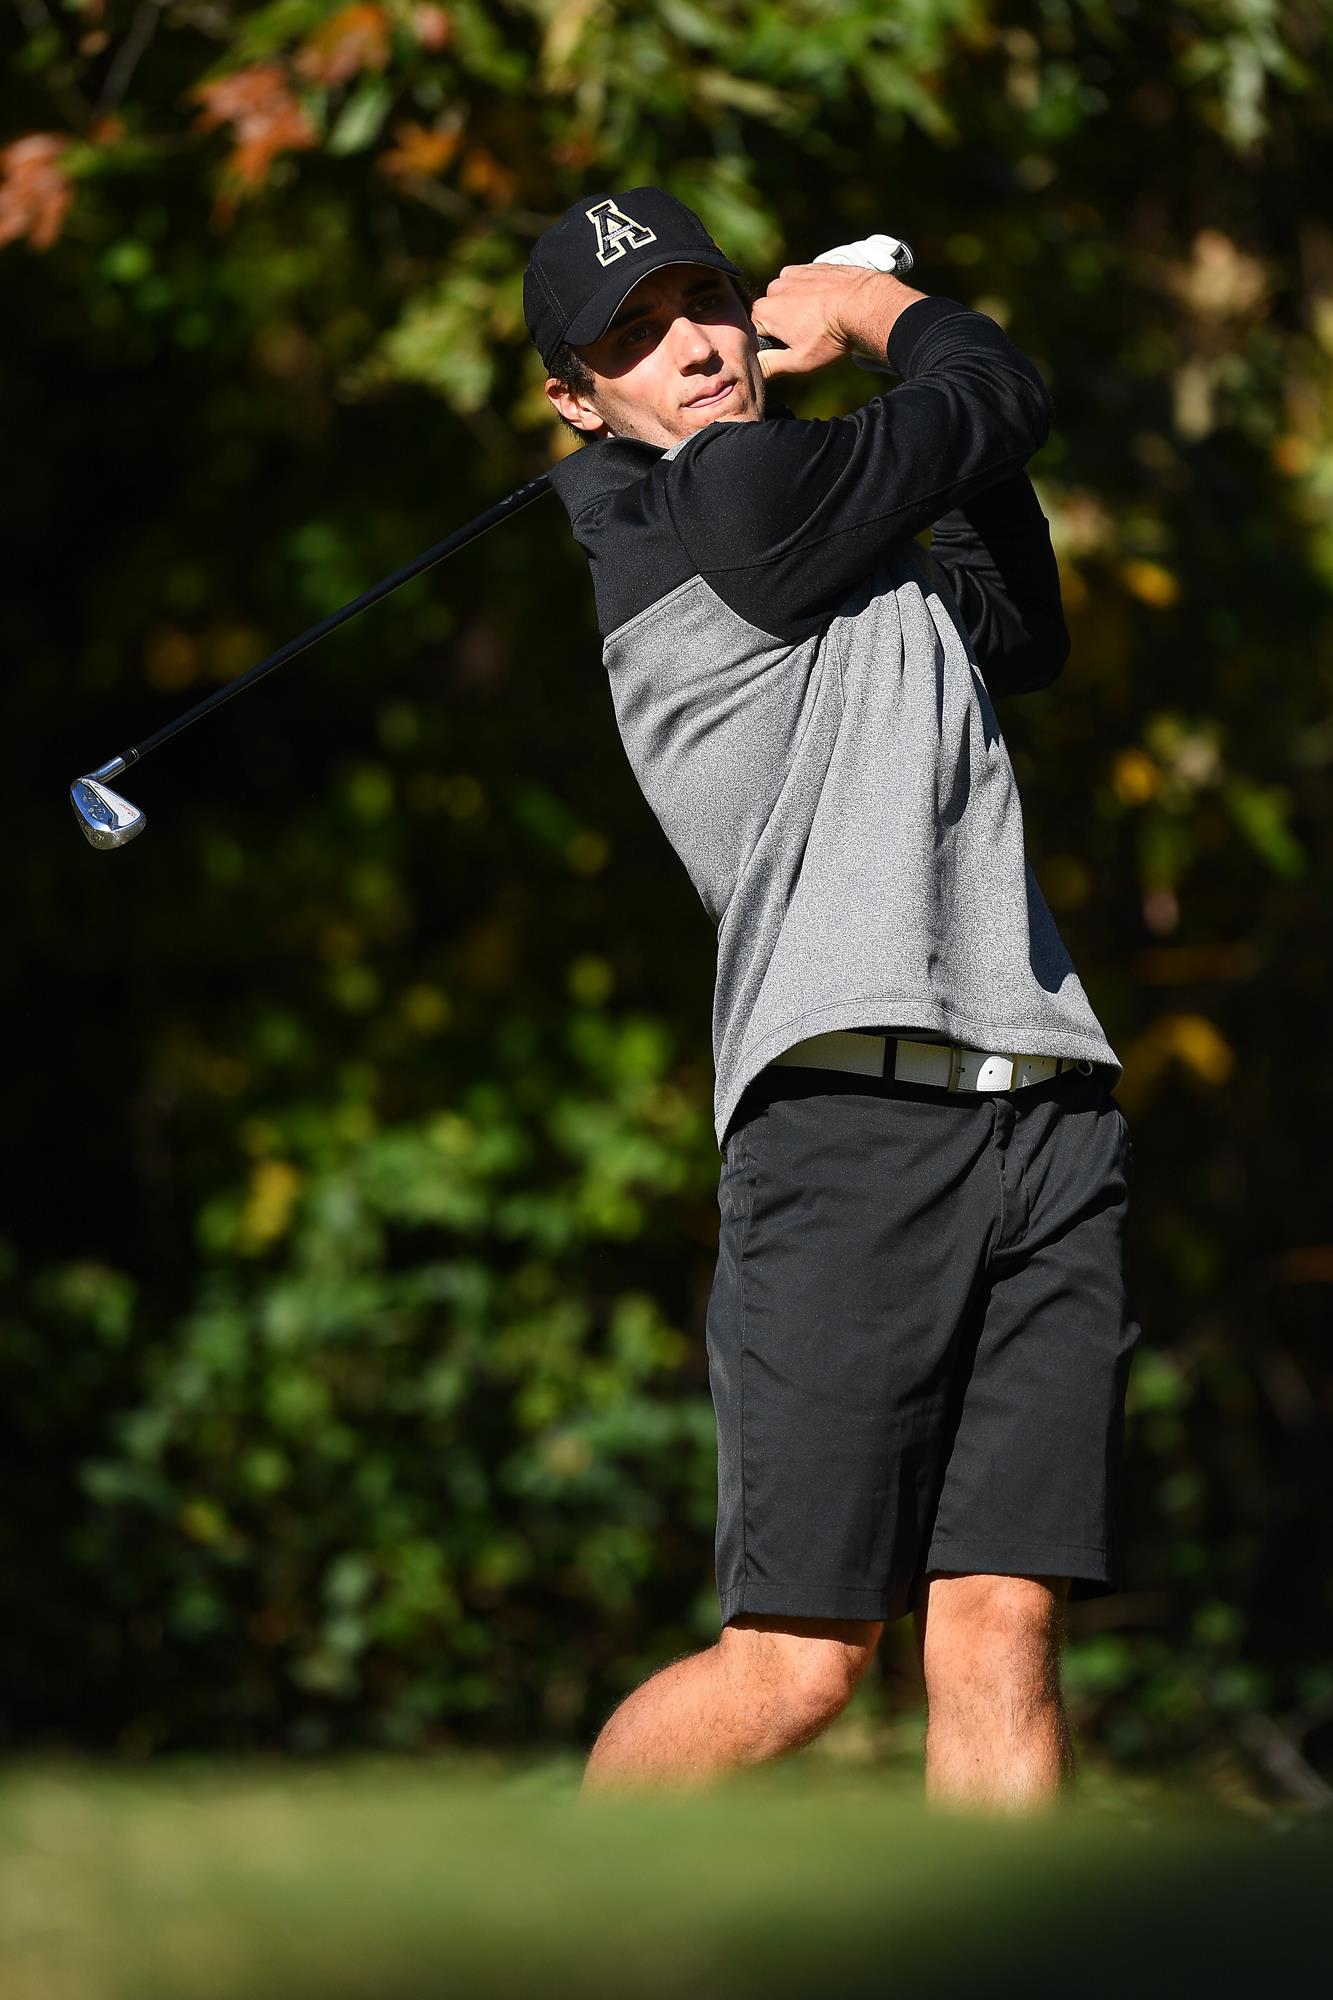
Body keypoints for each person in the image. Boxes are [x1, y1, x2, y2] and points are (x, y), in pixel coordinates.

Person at [521, 187, 1139, 1810]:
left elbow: (1021, 620)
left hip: (1043, 1099)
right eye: (629, 338)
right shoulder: (707, 507)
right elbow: (998, 397)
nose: (691, 348)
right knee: (796, 1666)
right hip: (840, 1126)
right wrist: (876, 329)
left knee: (999, 1630)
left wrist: (896, 406)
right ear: (575, 400)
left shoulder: (817, 522)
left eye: (703, 303)